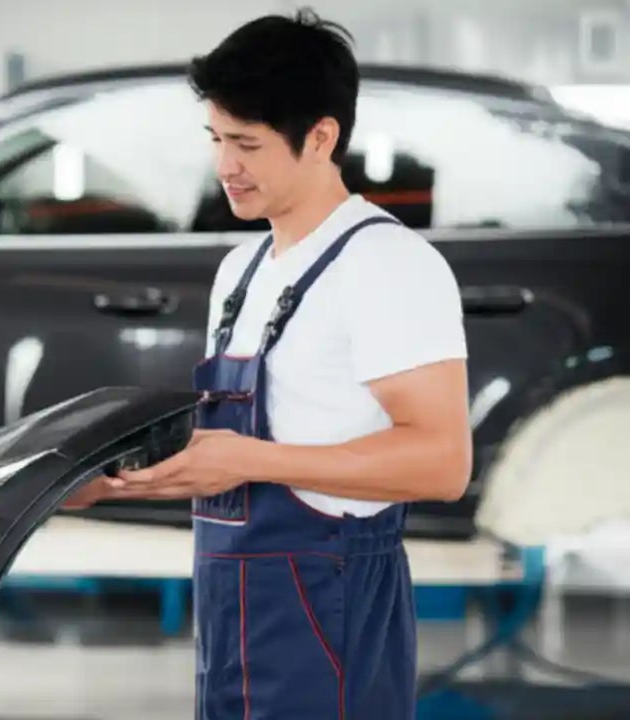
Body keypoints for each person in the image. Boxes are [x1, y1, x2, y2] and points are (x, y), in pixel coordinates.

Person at [64, 9, 471, 719]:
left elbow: (441, 462)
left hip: (329, 612)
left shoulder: (387, 264)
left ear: (321, 137)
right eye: (217, 139)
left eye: (247, 143)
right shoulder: (241, 270)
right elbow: (227, 468)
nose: (226, 166)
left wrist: (254, 459)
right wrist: (109, 488)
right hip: (232, 618)